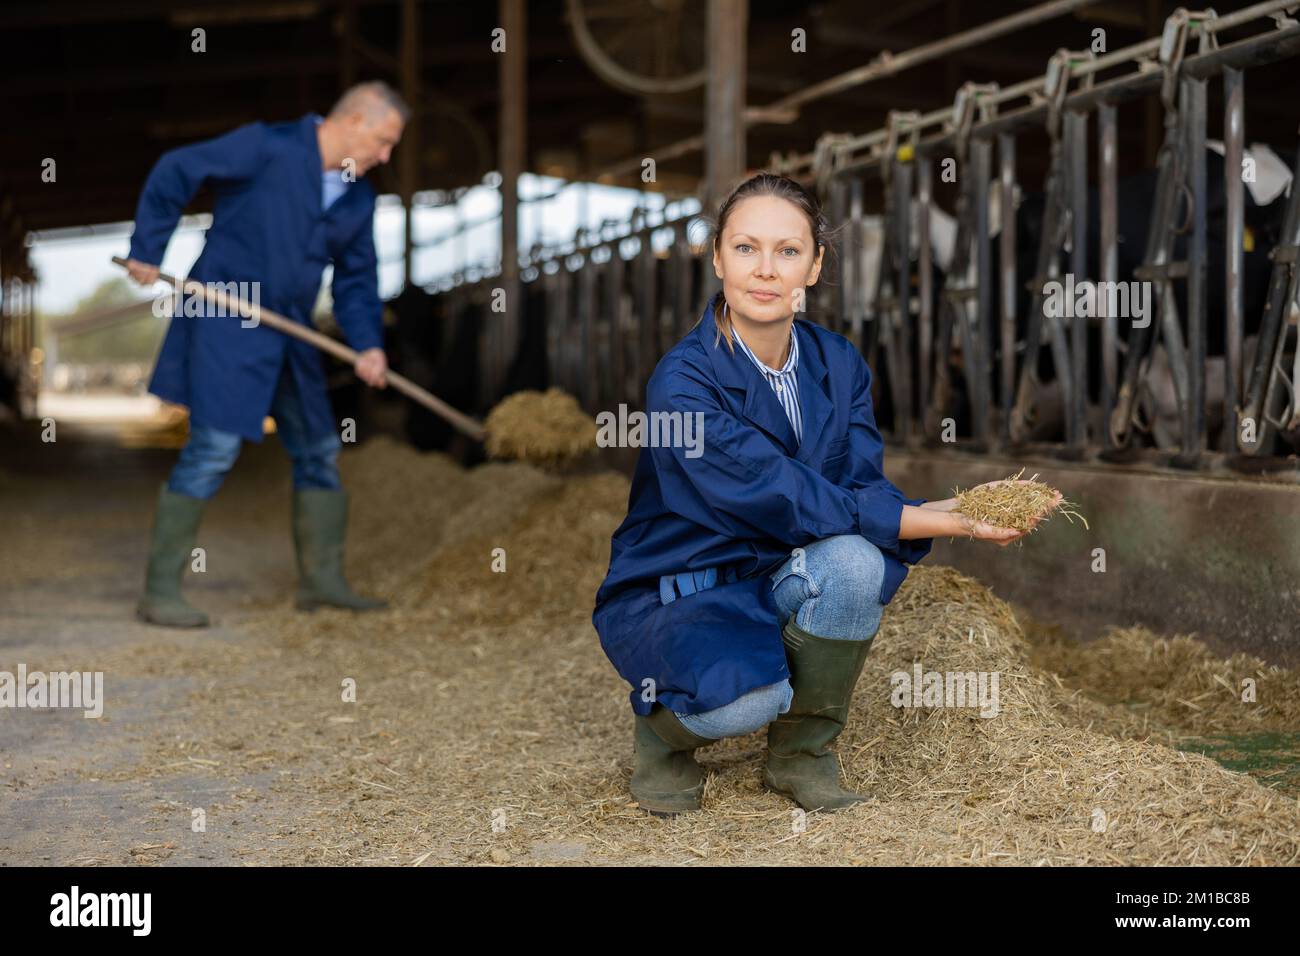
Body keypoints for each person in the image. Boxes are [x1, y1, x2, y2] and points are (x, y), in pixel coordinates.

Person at [592, 172, 1058, 816]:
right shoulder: (683, 382)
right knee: (744, 702)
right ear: (718, 257)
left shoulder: (838, 363)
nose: (766, 270)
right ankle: (664, 735)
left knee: (855, 563)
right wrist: (940, 521)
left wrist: (950, 507)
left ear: (814, 266)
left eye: (788, 251)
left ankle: (801, 754)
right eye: (746, 247)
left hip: (784, 565)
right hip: (688, 583)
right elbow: (775, 491)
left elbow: (857, 485)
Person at [124, 81, 409, 627]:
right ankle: (159, 592)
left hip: (292, 330)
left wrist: (368, 344)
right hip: (229, 315)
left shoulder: (356, 195)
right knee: (214, 447)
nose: (386, 155)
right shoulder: (268, 147)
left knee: (319, 448)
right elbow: (177, 168)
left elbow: (356, 280)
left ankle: (322, 583)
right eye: (384, 139)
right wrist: (147, 247)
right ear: (352, 121)